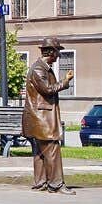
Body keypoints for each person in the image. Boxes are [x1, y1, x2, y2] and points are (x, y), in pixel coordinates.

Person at [23, 38, 74, 194]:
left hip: (40, 117)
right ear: (51, 52)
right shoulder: (39, 69)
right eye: (58, 52)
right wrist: (65, 82)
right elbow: (47, 90)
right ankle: (56, 184)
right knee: (52, 150)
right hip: (42, 118)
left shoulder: (43, 68)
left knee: (40, 152)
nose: (58, 56)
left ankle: (41, 182)